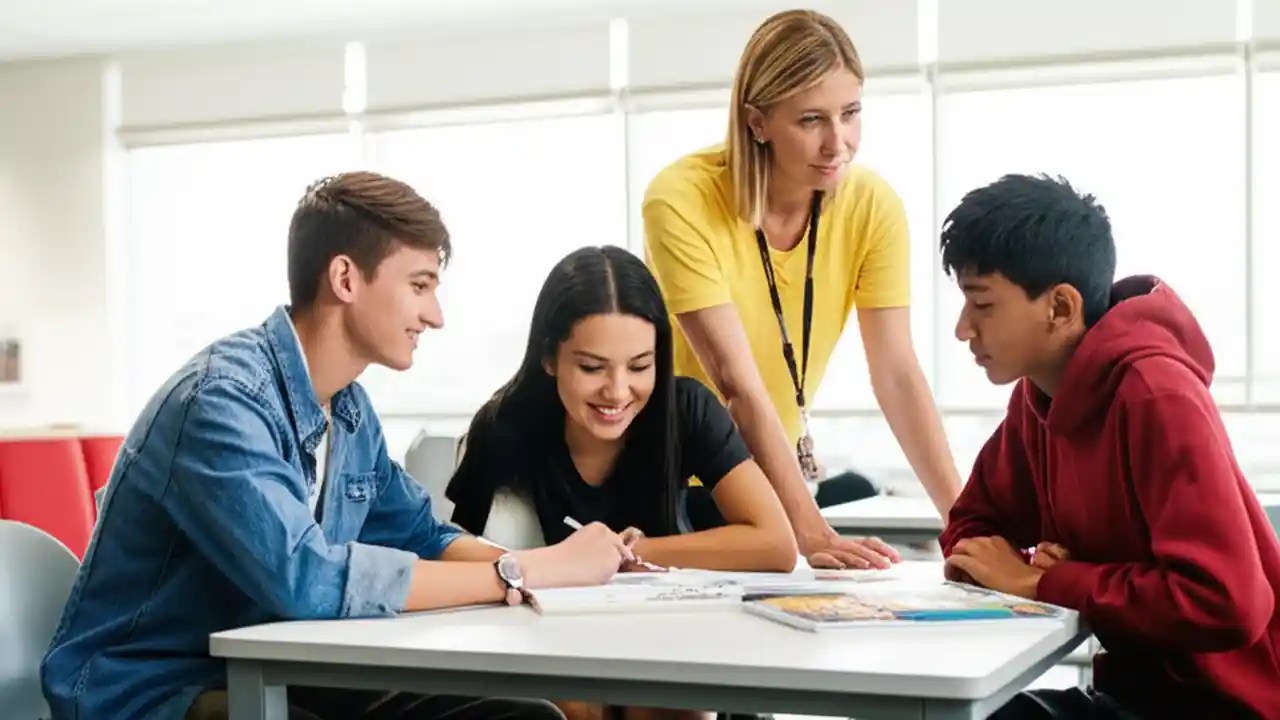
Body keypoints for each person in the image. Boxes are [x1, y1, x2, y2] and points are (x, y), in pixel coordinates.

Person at [41, 171, 633, 720]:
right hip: (153, 689)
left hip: (276, 665)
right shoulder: (221, 401)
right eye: (419, 285)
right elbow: (307, 579)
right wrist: (519, 572)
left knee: (520, 714)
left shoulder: (348, 408)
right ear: (346, 278)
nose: (435, 315)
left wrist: (562, 573)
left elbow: (423, 534)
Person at [934, 173, 1280, 720]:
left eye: (983, 305)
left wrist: (1049, 580)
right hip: (1135, 695)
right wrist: (1002, 565)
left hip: (1224, 706)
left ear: (1061, 307)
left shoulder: (1156, 395)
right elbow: (973, 524)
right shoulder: (1038, 394)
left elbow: (1229, 601)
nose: (962, 329)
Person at [642, 8, 961, 570]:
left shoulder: (871, 206)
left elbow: (897, 373)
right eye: (811, 119)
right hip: (670, 482)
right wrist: (809, 530)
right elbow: (736, 384)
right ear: (757, 122)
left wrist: (963, 524)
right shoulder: (681, 200)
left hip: (772, 482)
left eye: (851, 113)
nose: (838, 143)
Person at [446, 245, 798, 720]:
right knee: (563, 704)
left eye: (639, 366)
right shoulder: (504, 425)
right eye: (592, 368)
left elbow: (776, 544)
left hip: (672, 636)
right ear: (549, 357)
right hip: (550, 638)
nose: (616, 391)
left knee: (671, 698)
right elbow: (456, 558)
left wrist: (636, 553)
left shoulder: (685, 409)